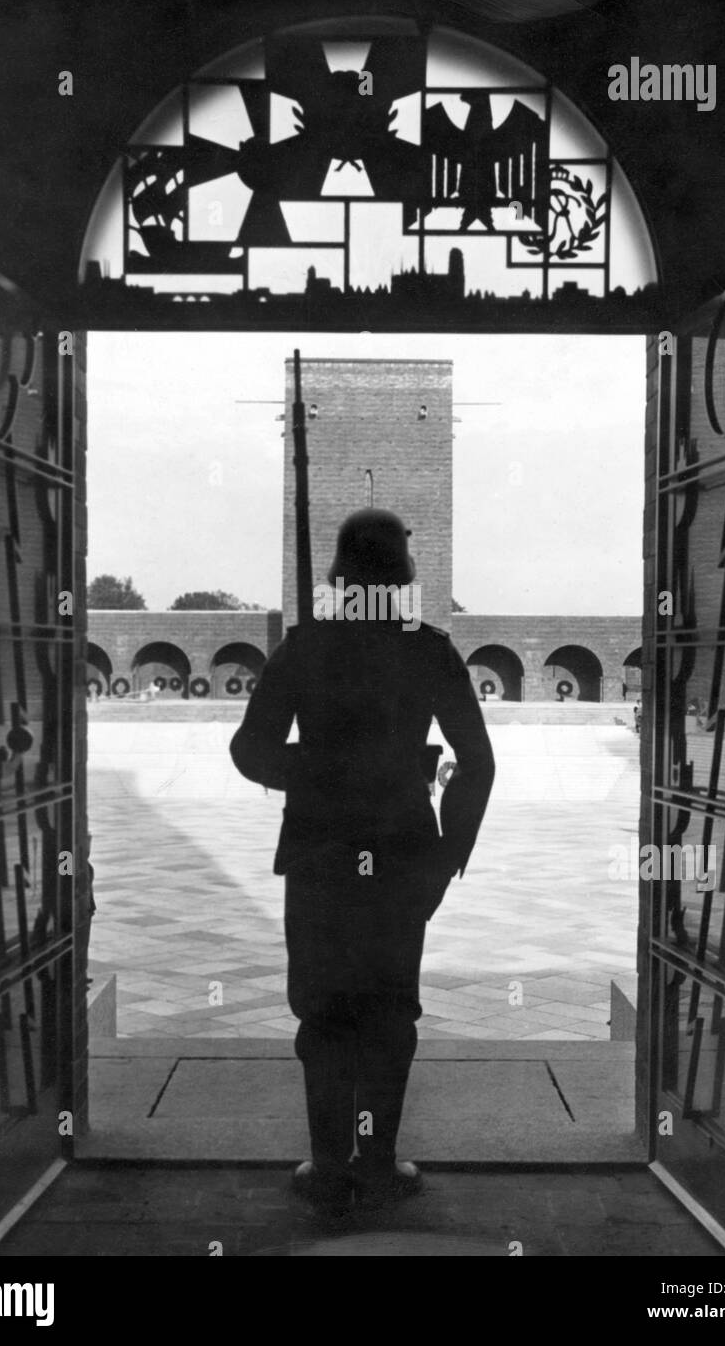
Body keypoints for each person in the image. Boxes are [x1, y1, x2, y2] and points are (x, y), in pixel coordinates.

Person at [229, 510, 494, 1213]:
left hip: (318, 848)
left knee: (322, 1011)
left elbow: (250, 752)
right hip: (403, 851)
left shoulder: (303, 649)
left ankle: (327, 1164)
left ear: (340, 574)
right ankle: (373, 1163)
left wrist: (318, 770)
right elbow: (477, 763)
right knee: (386, 1012)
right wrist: (447, 856)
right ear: (402, 575)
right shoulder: (427, 650)